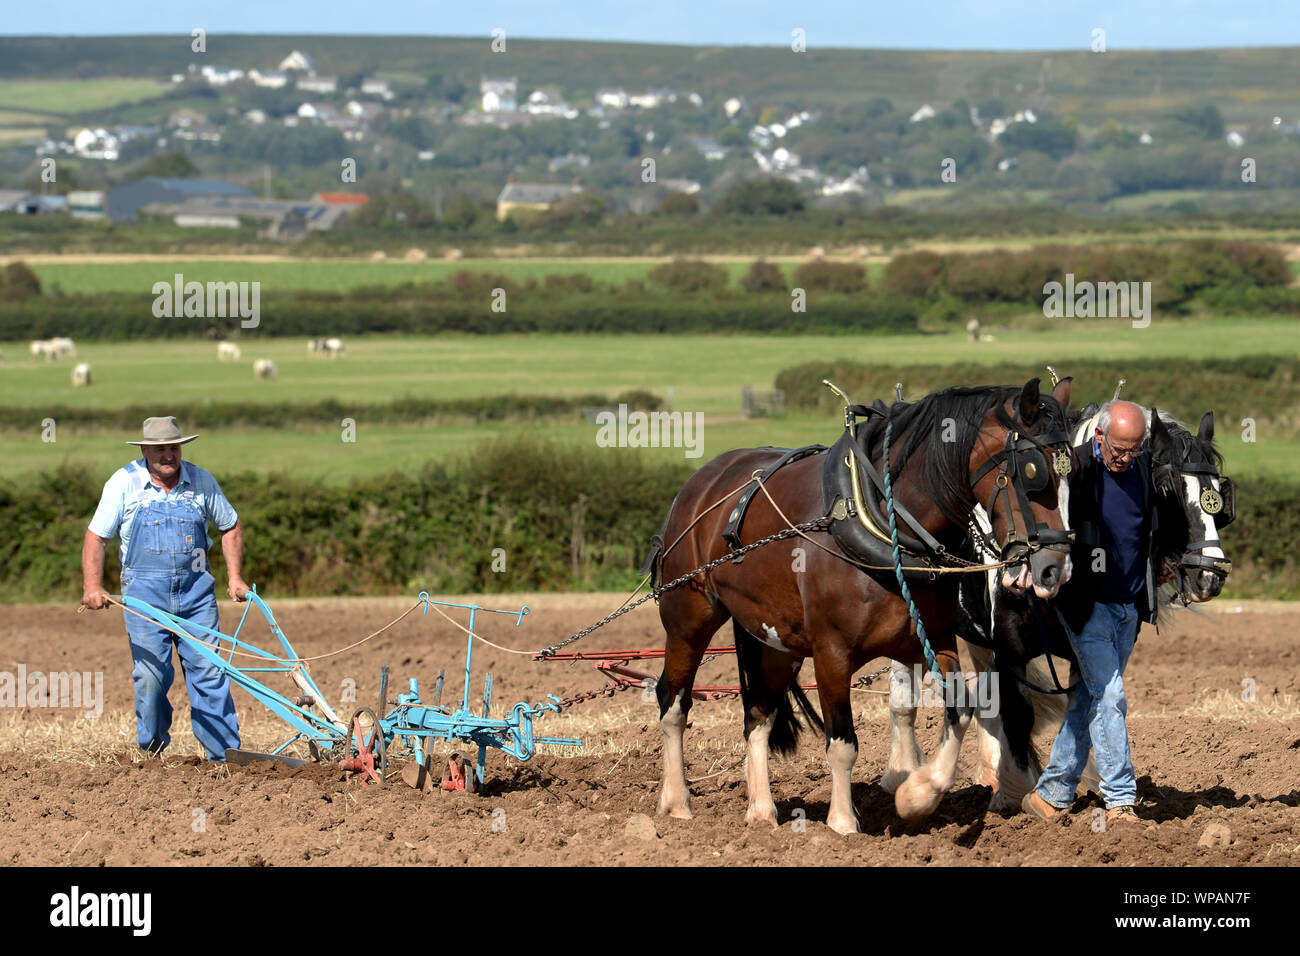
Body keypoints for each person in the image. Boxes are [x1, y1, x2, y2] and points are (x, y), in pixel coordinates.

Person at [1022, 399, 1158, 828]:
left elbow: (1148, 528)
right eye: (1118, 448)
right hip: (1087, 607)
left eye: (1133, 449)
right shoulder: (1072, 471)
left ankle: (1051, 794)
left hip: (1128, 607)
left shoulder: (1143, 469)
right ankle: (1120, 798)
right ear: (1099, 436)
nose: (1125, 457)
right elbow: (1040, 519)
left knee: (1090, 697)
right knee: (1111, 697)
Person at [81, 416, 248, 761]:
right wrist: (92, 586)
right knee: (151, 677)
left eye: (173, 448)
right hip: (145, 598)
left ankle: (225, 758)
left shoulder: (201, 481)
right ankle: (153, 752)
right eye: (159, 449)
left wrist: (235, 578)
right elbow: (97, 538)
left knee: (210, 673)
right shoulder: (123, 483)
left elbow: (229, 526)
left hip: (197, 597)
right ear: (145, 449)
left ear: (180, 448)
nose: (167, 455)